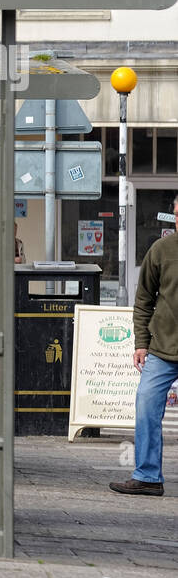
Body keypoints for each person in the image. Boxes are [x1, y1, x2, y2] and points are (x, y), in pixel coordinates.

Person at [110, 193, 178, 496]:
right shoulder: (161, 250)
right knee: (146, 406)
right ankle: (148, 477)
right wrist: (141, 342)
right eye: (177, 213)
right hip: (163, 350)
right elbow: (144, 301)